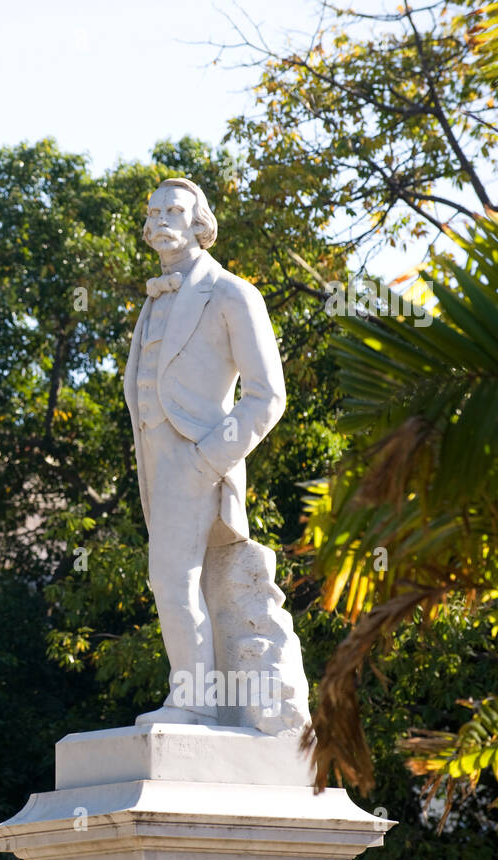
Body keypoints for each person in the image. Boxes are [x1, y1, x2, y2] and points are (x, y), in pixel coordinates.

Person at [122, 178, 286, 726]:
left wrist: (208, 459)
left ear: (200, 223)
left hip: (198, 460)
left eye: (174, 209)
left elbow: (267, 396)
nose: (161, 217)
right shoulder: (154, 299)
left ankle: (194, 703)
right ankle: (203, 700)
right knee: (173, 578)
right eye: (154, 210)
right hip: (153, 460)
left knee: (173, 577)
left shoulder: (233, 293)